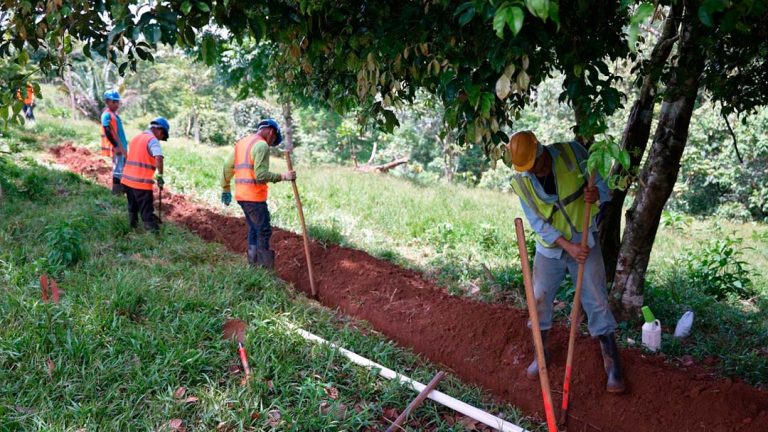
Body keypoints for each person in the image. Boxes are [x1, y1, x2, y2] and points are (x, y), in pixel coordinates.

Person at [505, 130, 625, 393]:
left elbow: (603, 185)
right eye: (528, 168)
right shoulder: (523, 182)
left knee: (596, 298)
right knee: (538, 299)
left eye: (536, 163)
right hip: (552, 249)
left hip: (584, 242)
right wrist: (568, 247)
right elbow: (538, 223)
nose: (535, 170)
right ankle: (541, 354)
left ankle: (611, 363)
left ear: (540, 149)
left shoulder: (573, 153)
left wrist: (598, 197)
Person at [220, 119, 295, 269]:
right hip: (254, 197)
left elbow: (227, 166)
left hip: (242, 196)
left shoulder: (242, 143)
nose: (271, 143)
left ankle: (252, 265)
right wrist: (283, 177)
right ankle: (263, 270)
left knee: (254, 228)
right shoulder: (261, 145)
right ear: (271, 132)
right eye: (273, 140)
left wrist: (226, 187)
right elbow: (261, 175)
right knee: (264, 230)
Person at [121, 118, 169, 233]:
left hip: (127, 181)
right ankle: (153, 235)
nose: (160, 139)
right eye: (162, 136)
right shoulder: (152, 140)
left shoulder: (136, 138)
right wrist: (160, 176)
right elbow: (158, 157)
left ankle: (133, 228)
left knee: (132, 207)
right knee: (146, 211)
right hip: (141, 183)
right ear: (159, 130)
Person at [100, 90, 129, 194]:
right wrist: (116, 146)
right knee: (118, 168)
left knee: (123, 168)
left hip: (123, 146)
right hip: (117, 146)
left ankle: (124, 190)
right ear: (107, 102)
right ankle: (116, 192)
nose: (116, 104)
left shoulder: (115, 115)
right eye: (114, 102)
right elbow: (107, 131)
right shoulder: (106, 115)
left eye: (117, 102)